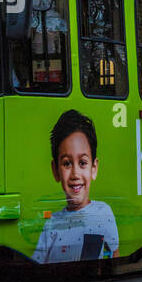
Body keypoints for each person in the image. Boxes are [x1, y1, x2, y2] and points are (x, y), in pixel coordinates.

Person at [30, 109, 118, 263]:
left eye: (83, 163)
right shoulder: (51, 223)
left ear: (94, 168)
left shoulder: (103, 212)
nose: (75, 174)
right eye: (67, 163)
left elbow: (114, 254)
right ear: (55, 170)